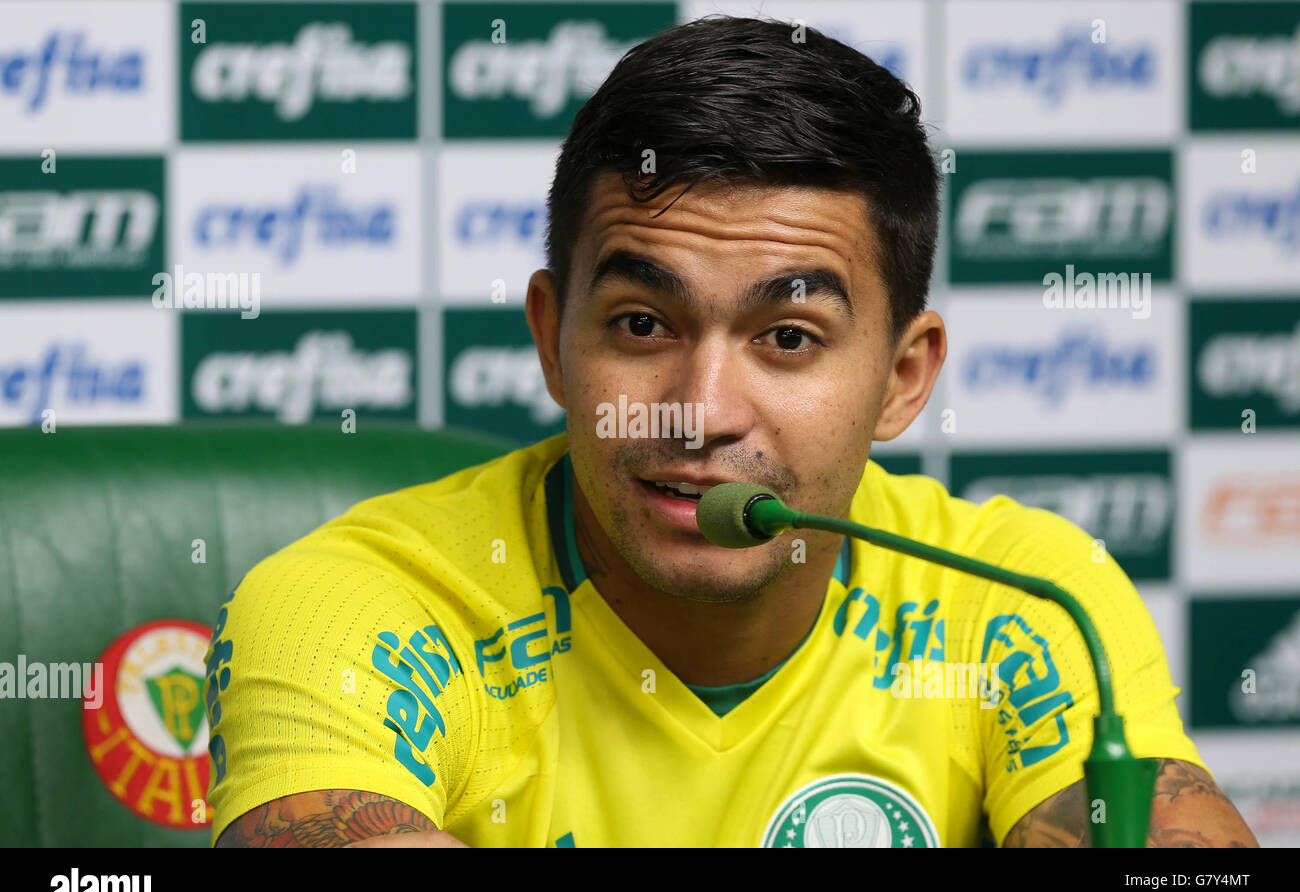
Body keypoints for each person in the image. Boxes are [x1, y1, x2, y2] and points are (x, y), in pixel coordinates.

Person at [205, 16, 1256, 848]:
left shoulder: (1030, 596)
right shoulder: (349, 604)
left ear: (902, 377)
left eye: (787, 336)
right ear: (551, 339)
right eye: (641, 324)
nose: (700, 410)